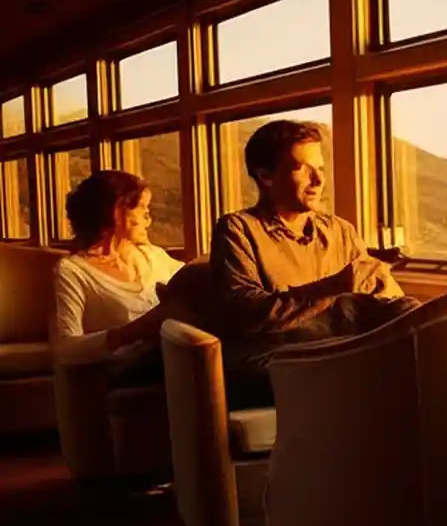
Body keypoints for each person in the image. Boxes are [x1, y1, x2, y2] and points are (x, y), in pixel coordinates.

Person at [209, 120, 415, 406]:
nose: (317, 180)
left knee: (412, 316)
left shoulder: (339, 230)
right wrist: (334, 286)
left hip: (342, 348)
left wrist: (383, 286)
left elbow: (375, 293)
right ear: (265, 175)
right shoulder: (237, 229)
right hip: (276, 357)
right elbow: (245, 314)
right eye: (302, 169)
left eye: (319, 169)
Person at [52, 170, 188, 387]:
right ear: (114, 210)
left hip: (169, 357)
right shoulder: (73, 271)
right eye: (141, 208)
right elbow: (66, 350)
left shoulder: (153, 256)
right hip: (129, 369)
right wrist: (131, 332)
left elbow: (194, 279)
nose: (148, 219)